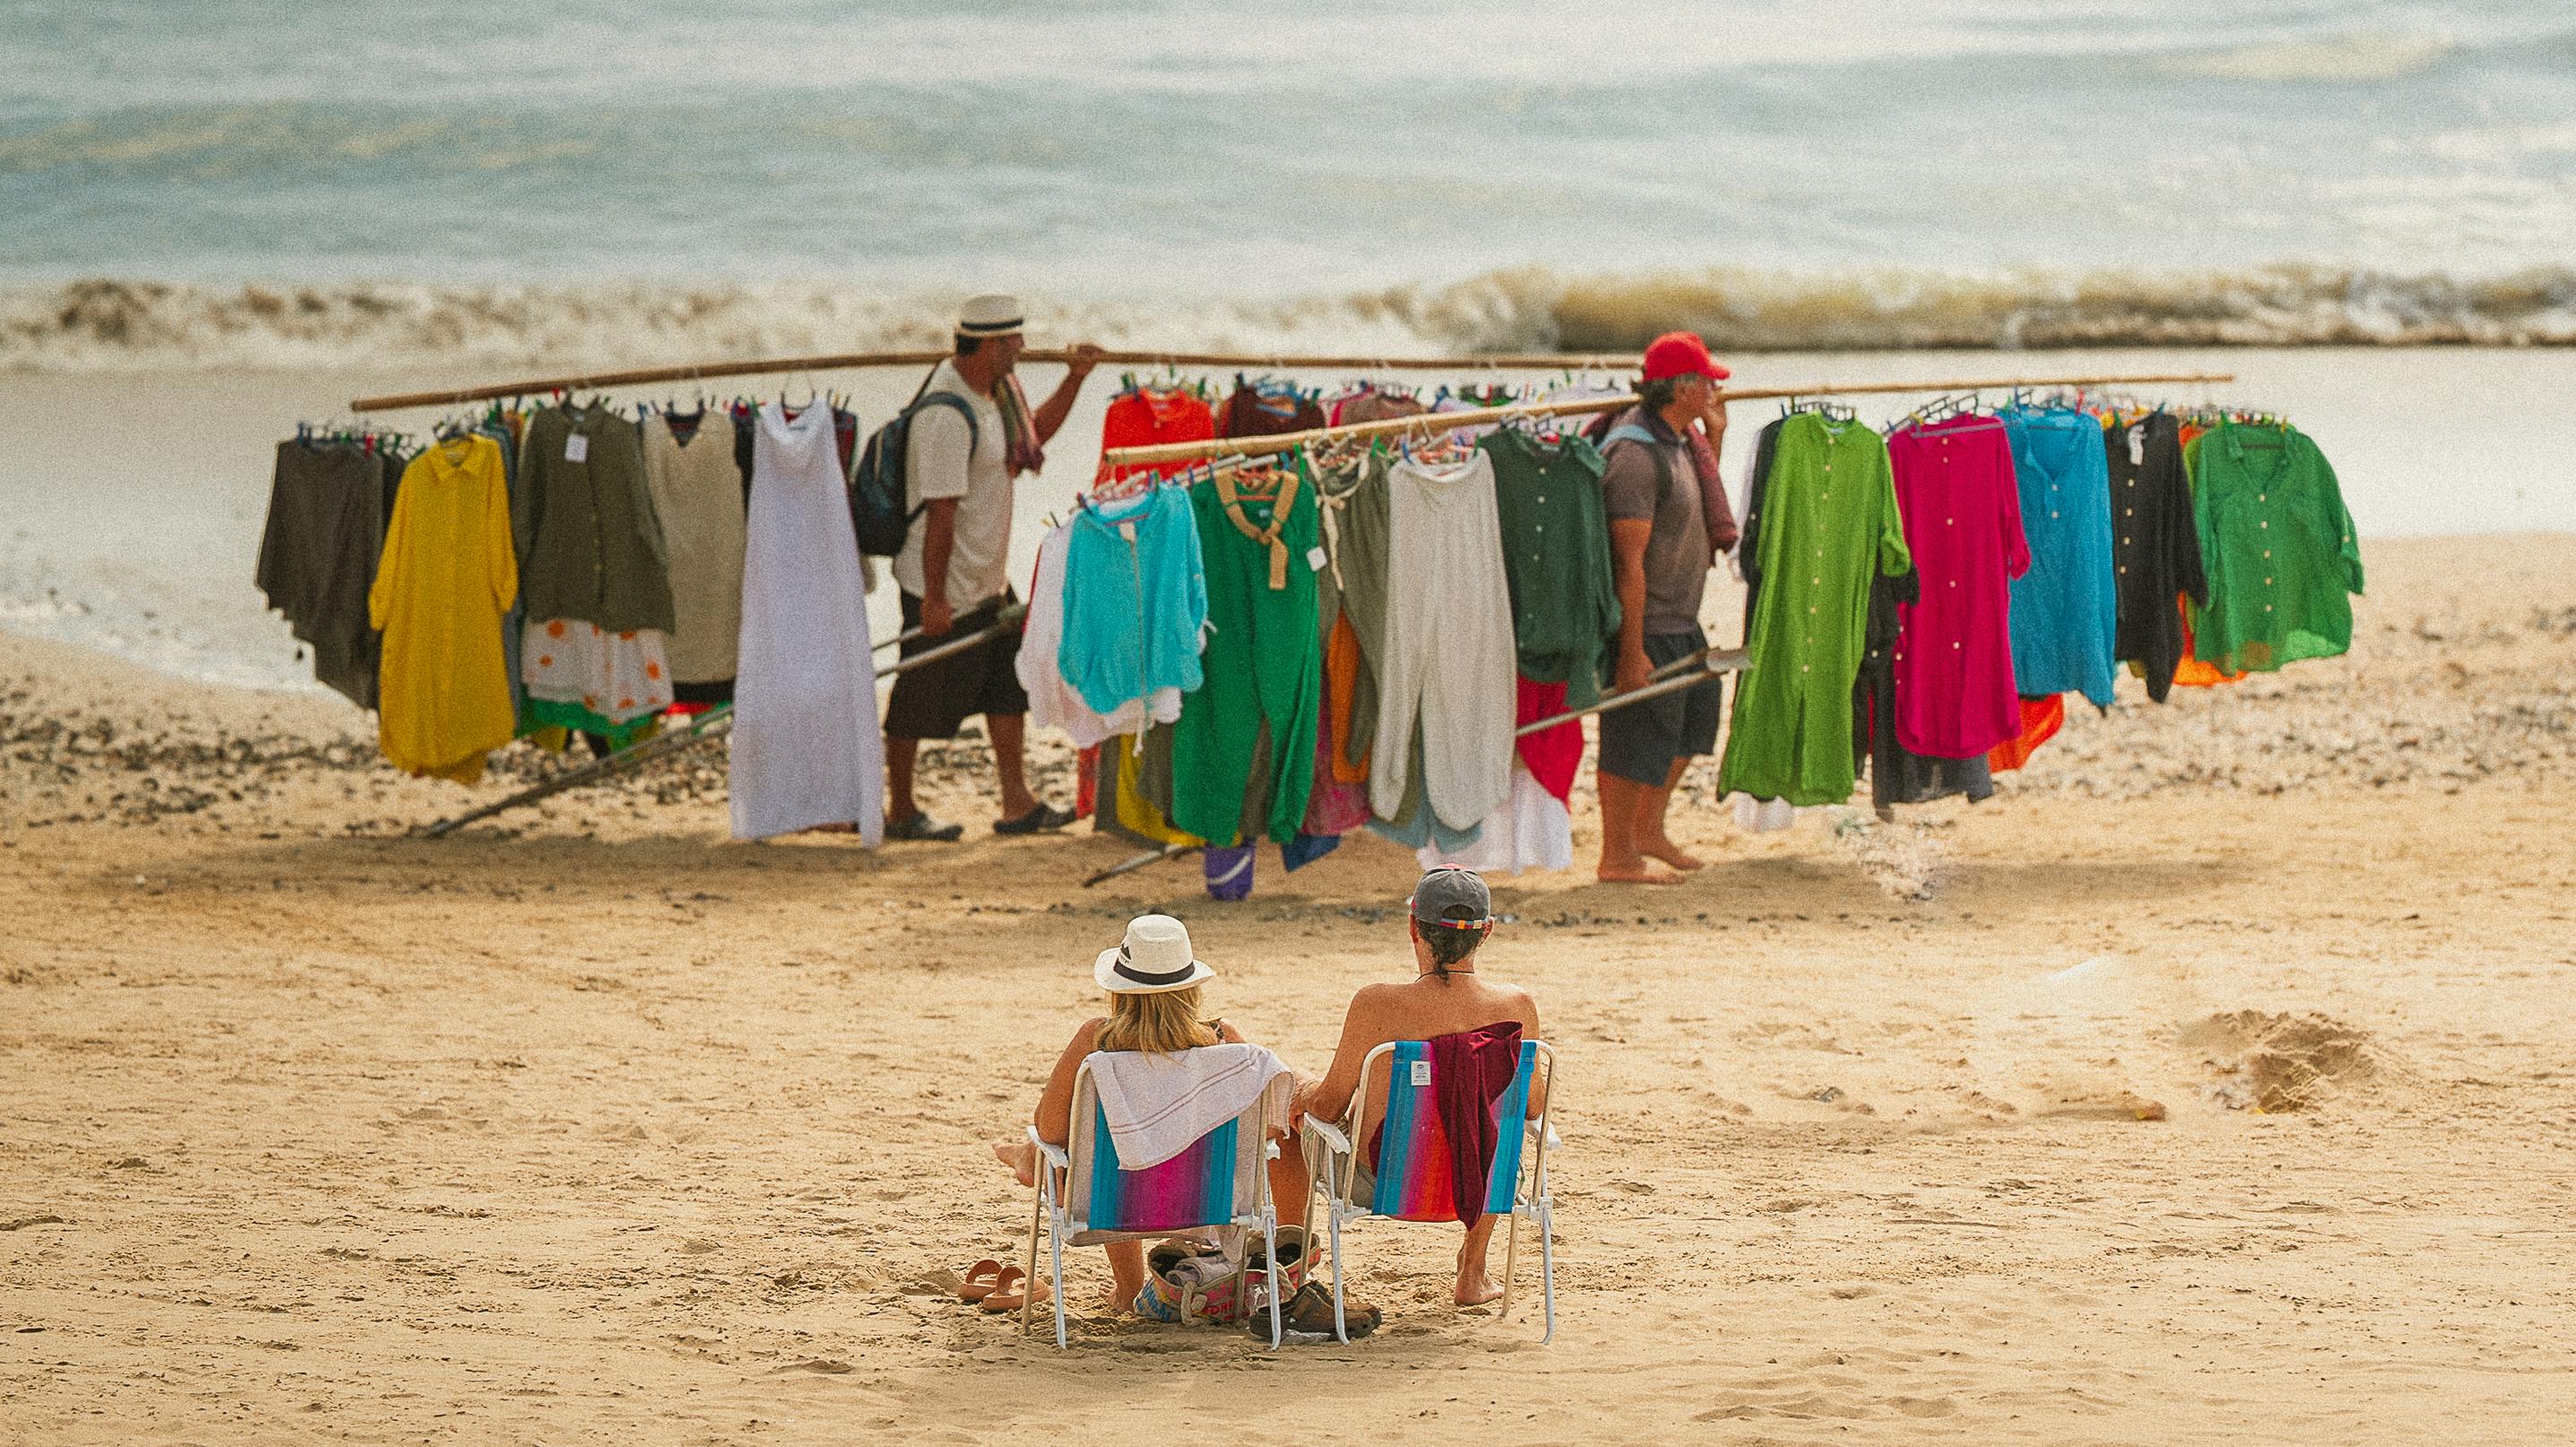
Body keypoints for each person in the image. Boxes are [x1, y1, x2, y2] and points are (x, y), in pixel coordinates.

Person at [992, 914, 1311, 1315]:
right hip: (1211, 1200)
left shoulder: (1098, 1042)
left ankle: (1127, 1289)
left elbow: (1051, 1129)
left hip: (1116, 1204)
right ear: (1190, 987)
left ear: (1120, 988)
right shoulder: (1225, 1042)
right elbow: (1262, 1128)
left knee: (1113, 1141)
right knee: (1154, 1135)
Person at [884, 294, 1102, 841]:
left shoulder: (995, 396)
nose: (1022, 349)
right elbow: (940, 513)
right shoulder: (945, 414)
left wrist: (1075, 379)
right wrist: (934, 598)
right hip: (941, 580)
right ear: (985, 345)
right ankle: (902, 809)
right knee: (918, 693)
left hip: (985, 577)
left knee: (1007, 688)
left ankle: (1016, 802)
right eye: (1012, 342)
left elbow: (1030, 438)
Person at [1292, 867, 1545, 1307]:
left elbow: (1329, 1107)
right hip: (1488, 1183)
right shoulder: (1516, 1006)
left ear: (1414, 926)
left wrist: (1300, 1095)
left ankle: (1289, 1272)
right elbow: (1533, 1106)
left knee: (1289, 1118)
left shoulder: (1376, 1004)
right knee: (1494, 1136)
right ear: (1486, 933)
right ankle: (1473, 1272)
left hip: (1384, 1182)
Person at [1594, 331, 1732, 884]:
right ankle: (1617, 855)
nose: (1714, 390)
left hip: (1681, 616)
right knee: (1633, 740)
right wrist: (1630, 653)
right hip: (1645, 622)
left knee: (1694, 725)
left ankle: (1649, 831)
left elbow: (1696, 501)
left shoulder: (1680, 440)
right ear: (1679, 387)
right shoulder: (1634, 454)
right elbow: (1628, 562)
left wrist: (1716, 434)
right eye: (1706, 382)